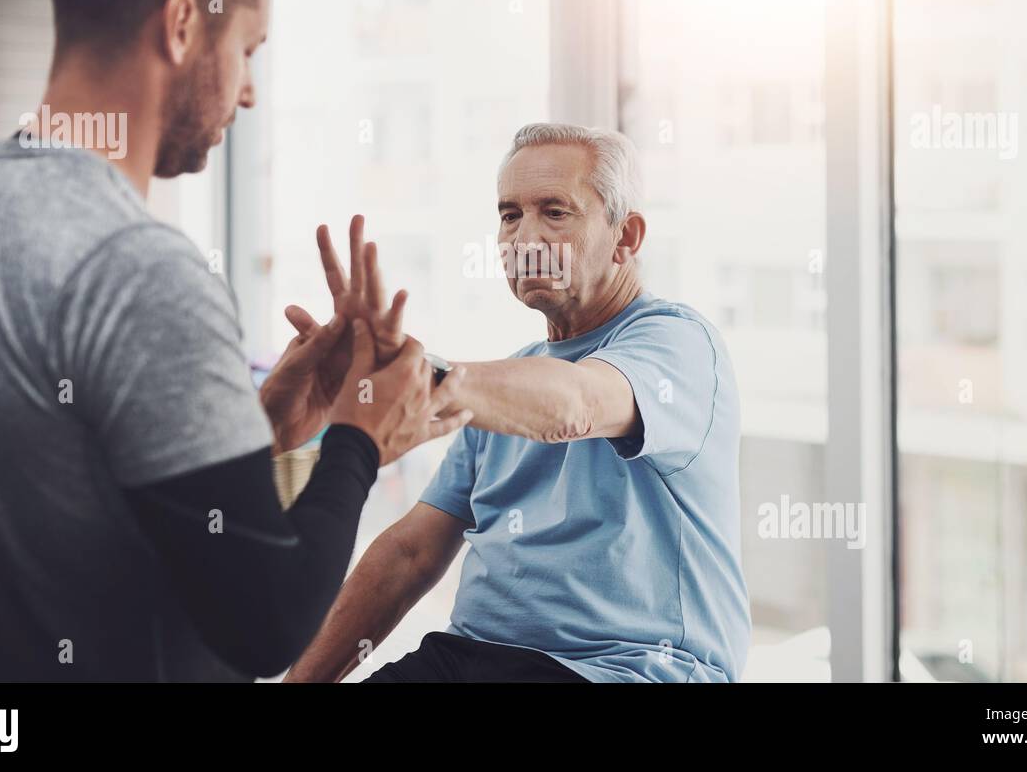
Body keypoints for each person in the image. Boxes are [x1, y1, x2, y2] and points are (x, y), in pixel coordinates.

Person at [0, 0, 468, 682]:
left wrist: (253, 430)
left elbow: (63, 508)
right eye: (248, 52)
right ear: (185, 24)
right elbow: (267, 625)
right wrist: (362, 437)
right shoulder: (137, 269)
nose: (251, 93)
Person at [286, 123, 751, 683]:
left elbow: (576, 402)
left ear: (625, 237)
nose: (523, 239)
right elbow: (411, 552)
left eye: (554, 212)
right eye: (510, 215)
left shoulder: (677, 343)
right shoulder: (505, 383)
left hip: (624, 668)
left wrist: (407, 379)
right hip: (470, 658)